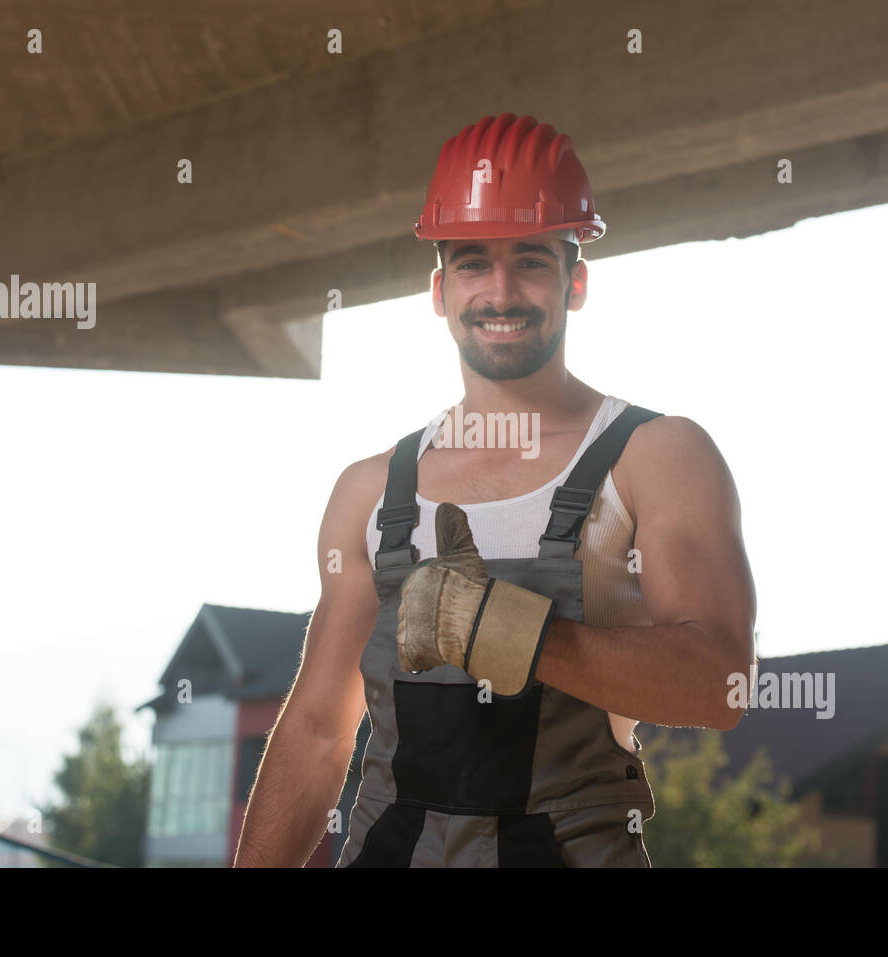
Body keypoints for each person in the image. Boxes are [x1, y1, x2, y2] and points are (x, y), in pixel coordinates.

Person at [234, 112, 757, 868]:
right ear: (440, 289)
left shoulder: (656, 456)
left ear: (576, 281)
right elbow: (318, 729)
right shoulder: (371, 492)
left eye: (532, 261)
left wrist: (522, 634)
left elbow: (723, 685)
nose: (501, 291)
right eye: (475, 262)